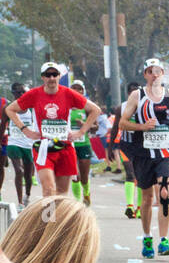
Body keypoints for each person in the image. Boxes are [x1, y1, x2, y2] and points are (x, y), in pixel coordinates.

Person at [117, 58, 169, 258]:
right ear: (145, 74)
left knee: (164, 193)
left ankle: (164, 241)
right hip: (142, 154)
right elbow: (122, 123)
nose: (154, 75)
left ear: (163, 73)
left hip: (165, 153)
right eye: (150, 71)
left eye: (158, 71)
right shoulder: (137, 96)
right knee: (146, 198)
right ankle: (147, 238)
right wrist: (142, 127)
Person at [6, 62, 101, 200]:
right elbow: (10, 109)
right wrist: (25, 130)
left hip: (65, 147)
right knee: (49, 189)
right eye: (47, 75)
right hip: (43, 147)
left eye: (54, 74)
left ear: (59, 76)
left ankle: (58, 221)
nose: (51, 78)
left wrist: (81, 132)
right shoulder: (34, 94)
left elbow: (95, 110)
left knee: (62, 195)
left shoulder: (68, 93)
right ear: (43, 77)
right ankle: (48, 220)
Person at [109, 82, 141, 219]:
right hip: (126, 145)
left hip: (141, 146)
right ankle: (129, 206)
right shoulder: (121, 108)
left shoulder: (144, 106)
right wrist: (111, 147)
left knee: (140, 177)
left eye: (137, 92)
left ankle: (139, 208)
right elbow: (115, 128)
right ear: (128, 94)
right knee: (130, 173)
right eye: (132, 92)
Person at [5, 82, 35, 209]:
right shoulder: (8, 108)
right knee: (19, 170)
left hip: (28, 145)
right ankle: (20, 203)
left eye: (23, 92)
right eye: (18, 92)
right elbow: (2, 128)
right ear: (13, 94)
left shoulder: (32, 109)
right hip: (13, 143)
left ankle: (27, 195)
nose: (21, 94)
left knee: (28, 175)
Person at [67, 81, 93, 206]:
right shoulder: (65, 106)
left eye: (80, 89)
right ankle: (77, 201)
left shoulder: (87, 107)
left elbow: (96, 128)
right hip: (70, 145)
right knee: (74, 175)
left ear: (83, 91)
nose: (77, 91)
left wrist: (84, 125)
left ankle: (86, 192)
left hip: (84, 145)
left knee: (84, 175)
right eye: (74, 88)